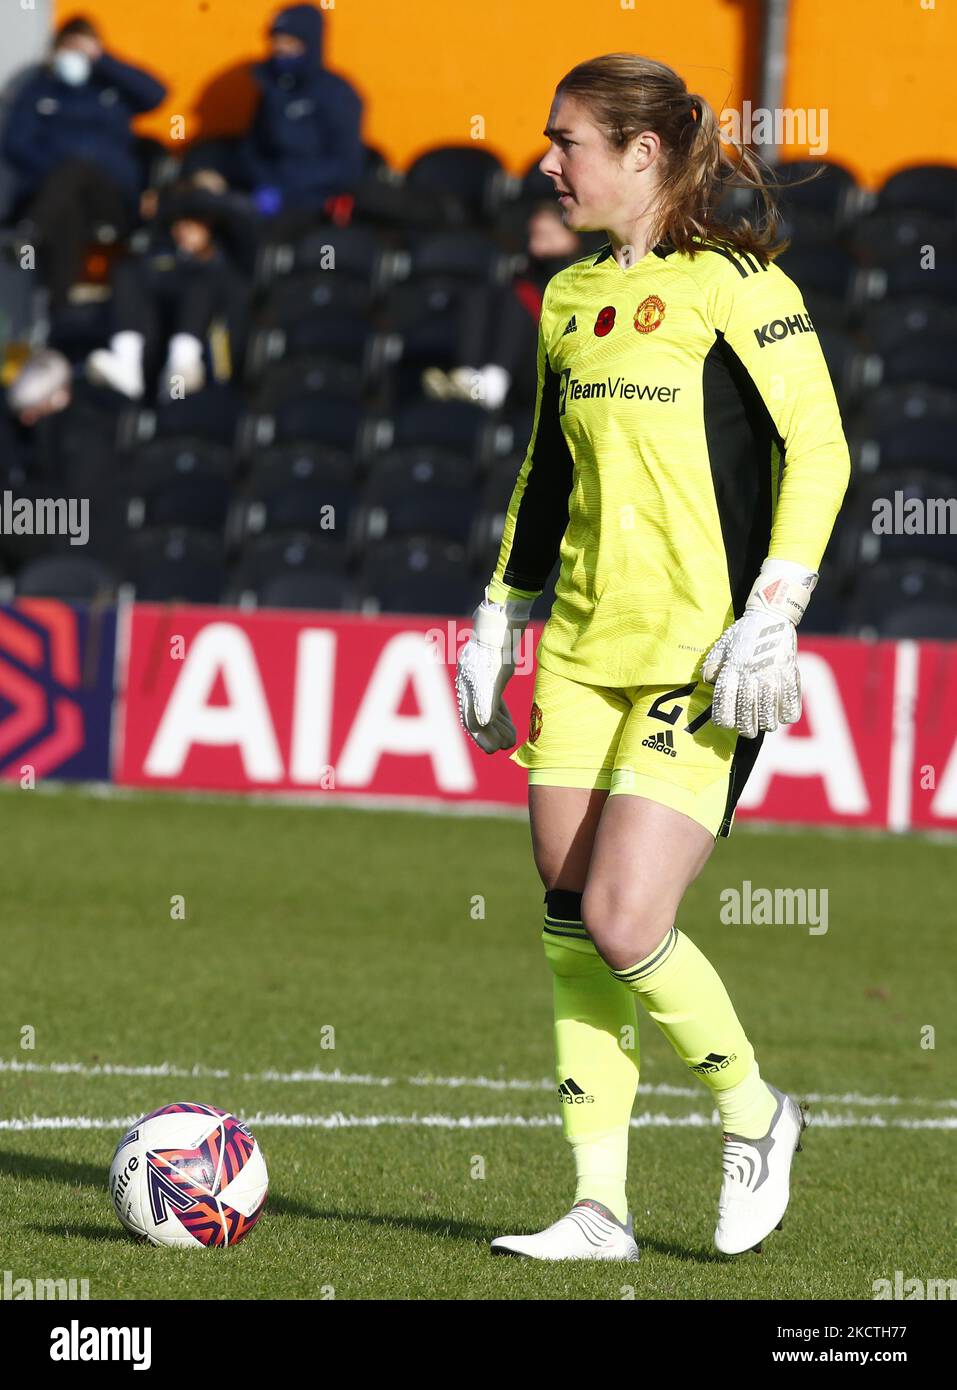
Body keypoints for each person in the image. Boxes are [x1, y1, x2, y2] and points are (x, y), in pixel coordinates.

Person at [455, 54, 850, 1260]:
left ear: (641, 154)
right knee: (572, 915)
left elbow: (820, 449)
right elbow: (546, 470)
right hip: (578, 648)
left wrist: (776, 604)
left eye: (566, 139)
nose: (546, 160)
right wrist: (497, 614)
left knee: (629, 917)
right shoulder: (569, 297)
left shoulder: (741, 284)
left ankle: (755, 1114)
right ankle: (599, 1207)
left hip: (705, 657)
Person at [1, 16, 166, 310]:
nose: (74, 56)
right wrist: (55, 172)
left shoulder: (111, 86)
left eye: (82, 48)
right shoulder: (40, 89)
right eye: (69, 48)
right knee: (66, 205)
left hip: (110, 198)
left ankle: (27, 237)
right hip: (54, 197)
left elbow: (156, 94)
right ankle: (57, 320)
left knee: (76, 171)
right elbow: (15, 143)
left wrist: (103, 61)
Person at [86, 185, 249, 401]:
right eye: (177, 224)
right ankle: (126, 362)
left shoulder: (226, 270)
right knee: (128, 273)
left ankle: (179, 371)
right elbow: (146, 279)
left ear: (208, 226)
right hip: (155, 360)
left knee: (178, 388)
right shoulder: (168, 264)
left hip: (203, 370)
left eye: (191, 223)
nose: (182, 230)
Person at [422, 202, 585, 411]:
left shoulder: (582, 271)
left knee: (515, 302)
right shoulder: (524, 271)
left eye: (546, 236)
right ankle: (469, 373)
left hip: (551, 363)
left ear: (570, 235)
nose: (537, 246)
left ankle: (495, 378)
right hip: (523, 361)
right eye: (534, 236)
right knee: (479, 296)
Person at [235, 3, 363, 222]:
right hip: (264, 196)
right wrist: (262, 182)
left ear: (310, 44)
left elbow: (346, 166)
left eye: (290, 42)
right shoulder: (269, 87)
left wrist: (285, 185)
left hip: (315, 203)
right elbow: (253, 148)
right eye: (277, 41)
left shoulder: (338, 94)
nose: (281, 49)